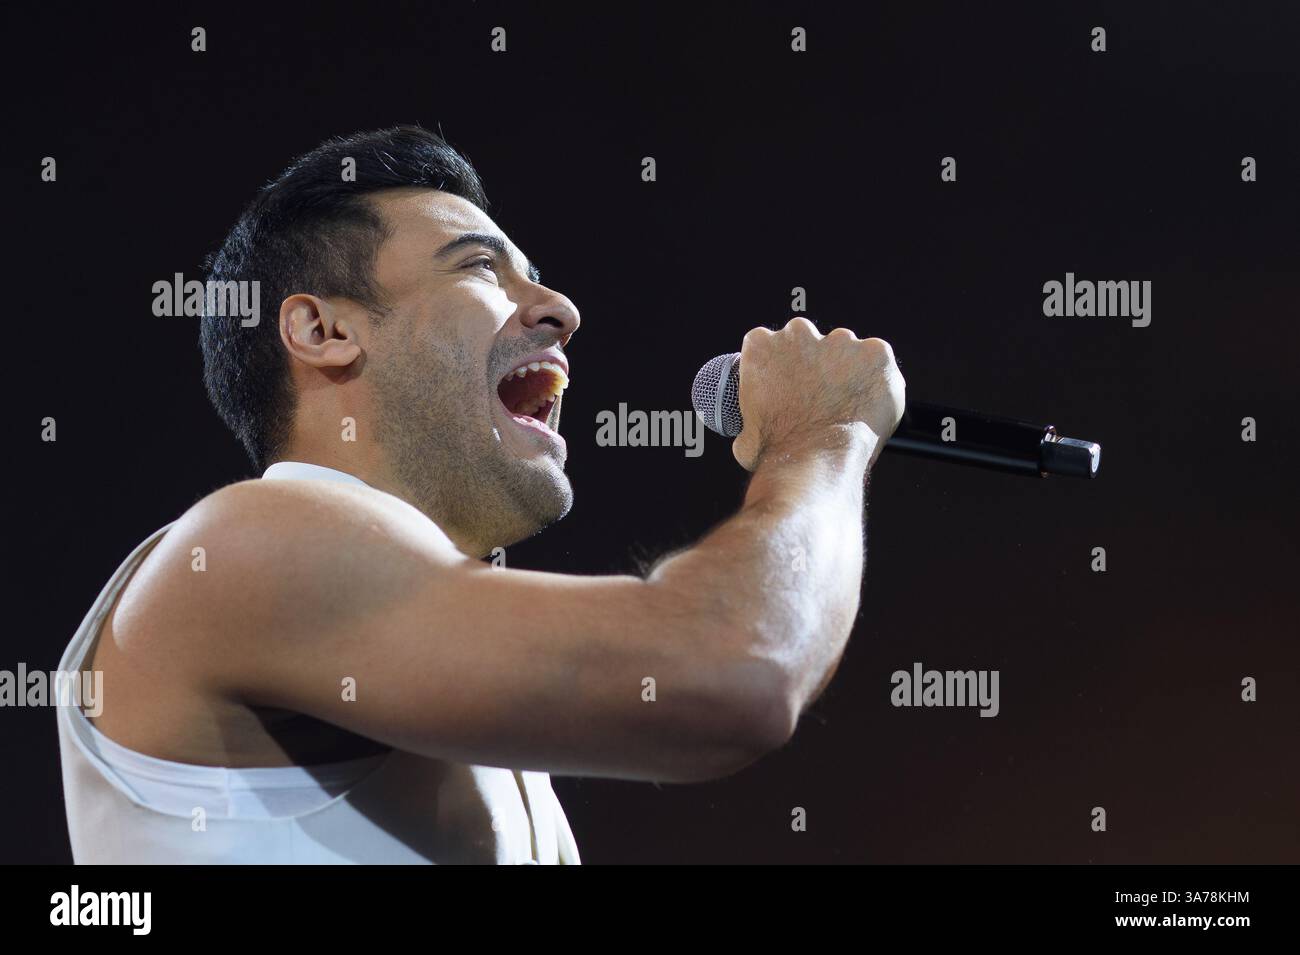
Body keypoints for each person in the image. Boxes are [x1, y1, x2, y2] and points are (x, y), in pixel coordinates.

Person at [55, 126, 906, 864]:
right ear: (324, 331)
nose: (560, 308)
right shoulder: (244, 540)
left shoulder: (433, 674)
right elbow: (734, 671)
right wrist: (823, 438)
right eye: (482, 269)